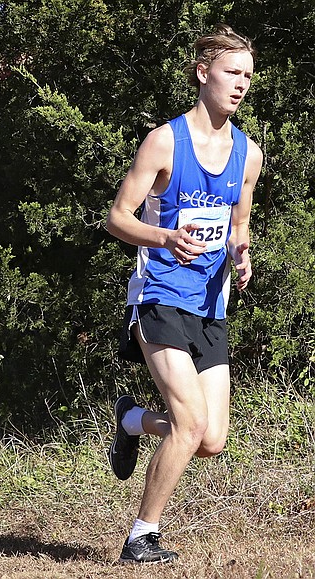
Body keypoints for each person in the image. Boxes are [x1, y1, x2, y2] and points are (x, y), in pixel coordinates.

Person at [105, 24, 262, 563]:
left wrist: (242, 255)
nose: (240, 84)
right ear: (203, 72)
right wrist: (165, 235)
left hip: (210, 305)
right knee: (190, 423)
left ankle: (131, 420)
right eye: (231, 72)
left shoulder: (249, 153)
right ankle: (141, 536)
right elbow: (117, 217)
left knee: (211, 437)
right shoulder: (164, 141)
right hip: (161, 297)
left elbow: (239, 224)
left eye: (247, 75)